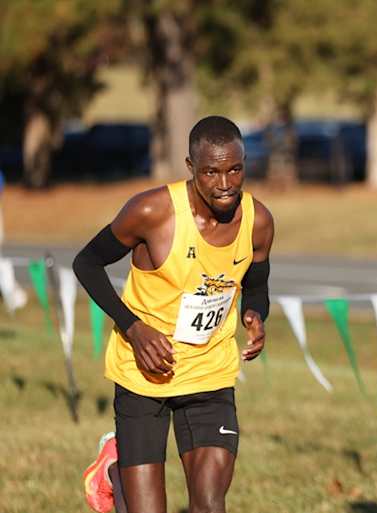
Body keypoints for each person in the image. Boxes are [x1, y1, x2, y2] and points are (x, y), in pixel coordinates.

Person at [73, 115, 274, 512]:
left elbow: (257, 282)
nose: (225, 184)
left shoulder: (258, 222)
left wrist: (254, 314)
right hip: (144, 374)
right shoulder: (152, 212)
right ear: (190, 168)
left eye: (235, 169)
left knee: (210, 503)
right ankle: (113, 471)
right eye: (211, 172)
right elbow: (87, 263)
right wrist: (133, 328)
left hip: (209, 372)